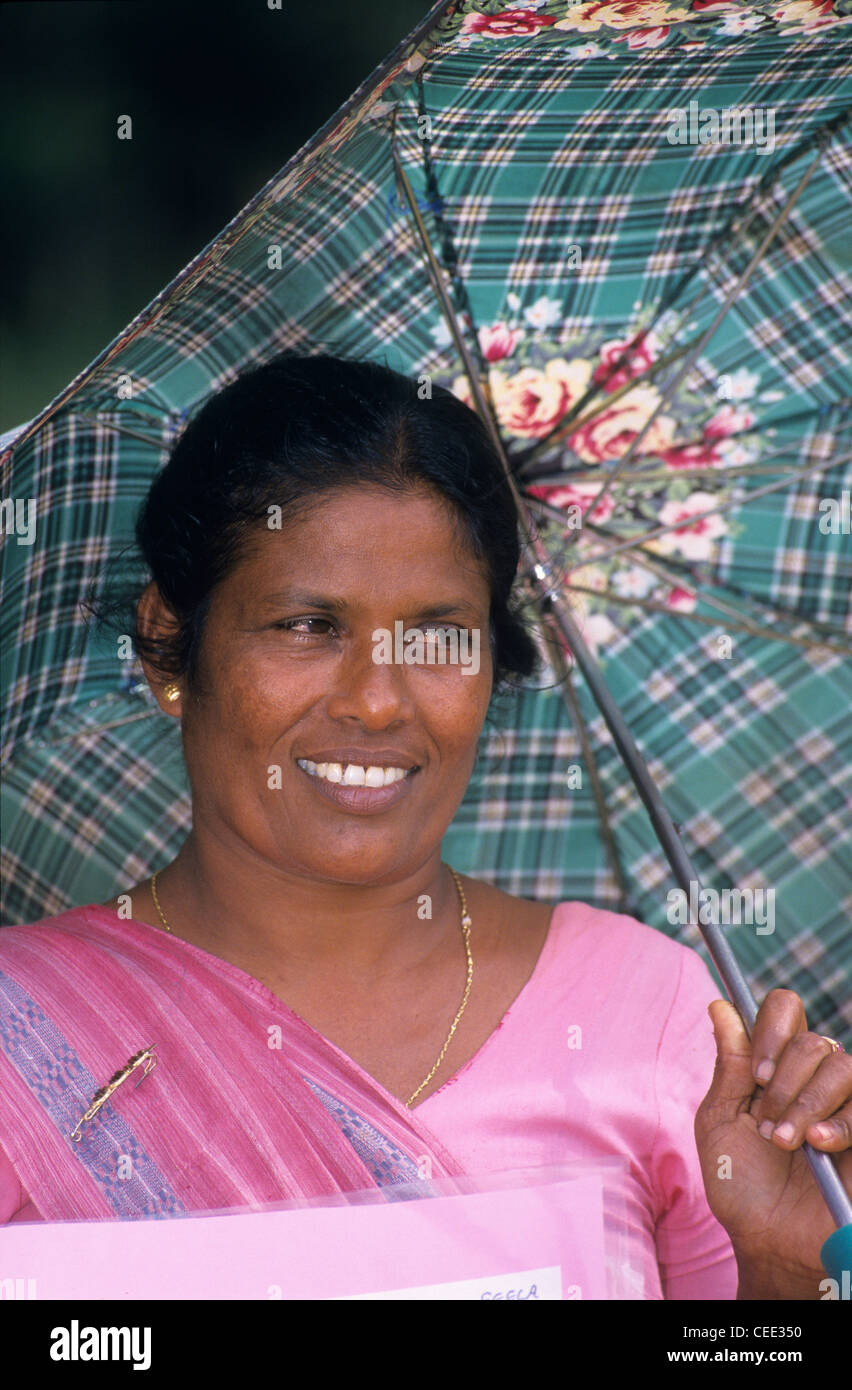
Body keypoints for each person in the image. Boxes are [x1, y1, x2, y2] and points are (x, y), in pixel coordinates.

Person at [0, 353, 849, 1300]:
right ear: (170, 642)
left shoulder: (653, 1015)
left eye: (438, 635)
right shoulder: (19, 1037)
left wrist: (781, 1272)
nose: (376, 701)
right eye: (308, 625)